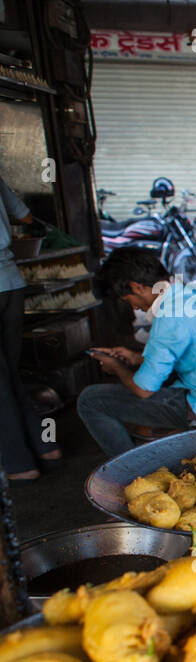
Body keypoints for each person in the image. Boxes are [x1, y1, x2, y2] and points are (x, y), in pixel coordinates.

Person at [79, 248, 196, 457]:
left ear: (136, 287)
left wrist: (116, 367)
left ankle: (129, 470)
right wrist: (134, 358)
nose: (135, 308)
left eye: (127, 299)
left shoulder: (170, 315)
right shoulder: (190, 295)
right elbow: (181, 353)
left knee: (90, 400)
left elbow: (143, 389)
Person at [0, 173, 62, 482]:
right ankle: (44, 446)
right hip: (10, 282)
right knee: (10, 373)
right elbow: (24, 216)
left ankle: (18, 464)